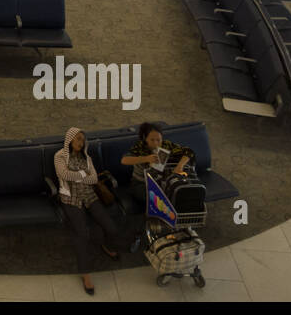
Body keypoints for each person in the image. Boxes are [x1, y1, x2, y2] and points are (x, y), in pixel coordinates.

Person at [54, 127, 123, 295]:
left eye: (82, 140)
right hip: (71, 198)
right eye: (77, 139)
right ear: (70, 139)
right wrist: (83, 174)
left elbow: (94, 179)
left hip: (89, 196)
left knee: (111, 227)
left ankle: (106, 246)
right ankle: (85, 274)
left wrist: (78, 174)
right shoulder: (60, 156)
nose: (80, 142)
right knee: (82, 234)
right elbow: (63, 174)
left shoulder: (87, 157)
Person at [120, 123, 195, 214]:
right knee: (155, 196)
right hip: (141, 183)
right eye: (152, 140)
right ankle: (157, 219)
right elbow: (124, 160)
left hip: (160, 181)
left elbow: (189, 152)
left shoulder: (166, 145)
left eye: (158, 140)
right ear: (145, 138)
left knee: (176, 191)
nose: (155, 143)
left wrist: (180, 166)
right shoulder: (140, 147)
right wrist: (146, 158)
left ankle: (173, 217)